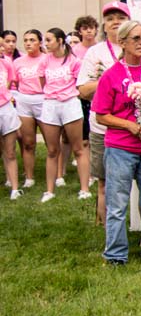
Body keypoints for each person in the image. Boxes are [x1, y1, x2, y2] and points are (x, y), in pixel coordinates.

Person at [93, 20, 141, 265]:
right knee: (117, 204)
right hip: (120, 148)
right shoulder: (111, 75)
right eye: (136, 39)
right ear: (123, 42)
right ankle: (116, 254)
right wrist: (128, 124)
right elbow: (100, 114)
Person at [77, 2, 141, 225]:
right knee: (105, 184)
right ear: (104, 23)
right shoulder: (95, 52)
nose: (115, 21)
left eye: (120, 17)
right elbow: (82, 90)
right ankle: (109, 232)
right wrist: (110, 79)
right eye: (110, 17)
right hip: (104, 130)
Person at [37, 28, 90, 202]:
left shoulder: (74, 61)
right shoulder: (44, 61)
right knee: (52, 150)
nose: (46, 43)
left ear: (60, 41)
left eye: (49, 39)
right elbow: (43, 81)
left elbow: (79, 84)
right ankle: (50, 191)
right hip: (50, 104)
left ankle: (84, 189)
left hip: (70, 104)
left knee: (78, 148)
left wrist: (66, 94)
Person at [13, 30, 44, 190]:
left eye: (32, 40)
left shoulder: (46, 59)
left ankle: (58, 174)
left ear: (40, 42)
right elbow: (15, 84)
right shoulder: (17, 62)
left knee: (51, 143)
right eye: (25, 40)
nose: (28, 43)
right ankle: (29, 177)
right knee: (28, 143)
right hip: (25, 101)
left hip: (43, 100)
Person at [1, 49, 20, 199]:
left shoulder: (6, 62)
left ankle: (14, 188)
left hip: (6, 108)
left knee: (10, 151)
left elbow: (9, 81)